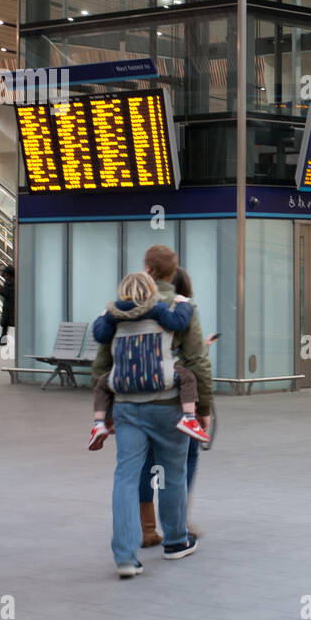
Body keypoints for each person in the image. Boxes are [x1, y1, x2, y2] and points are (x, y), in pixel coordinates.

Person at [91, 245, 212, 578]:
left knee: (126, 478)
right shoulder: (178, 308)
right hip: (169, 404)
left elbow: (102, 362)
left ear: (146, 269)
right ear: (173, 273)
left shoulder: (115, 310)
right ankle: (175, 542)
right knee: (173, 474)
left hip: (128, 405)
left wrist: (105, 409)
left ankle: (126, 557)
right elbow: (198, 360)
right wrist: (203, 408)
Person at [87, 271, 209, 451]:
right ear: (151, 289)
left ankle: (98, 423)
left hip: (122, 381)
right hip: (158, 378)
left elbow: (100, 335)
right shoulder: (157, 309)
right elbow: (178, 323)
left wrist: (102, 317)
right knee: (187, 376)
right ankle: (189, 418)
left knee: (102, 384)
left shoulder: (113, 315)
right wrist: (184, 305)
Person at [0, 264, 15, 347]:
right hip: (8, 307)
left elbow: (10, 295)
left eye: (6, 275)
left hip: (11, 308)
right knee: (5, 325)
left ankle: (4, 340)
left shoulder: (13, 284)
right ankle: (3, 340)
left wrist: (2, 291)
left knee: (7, 325)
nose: (5, 277)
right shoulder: (8, 282)